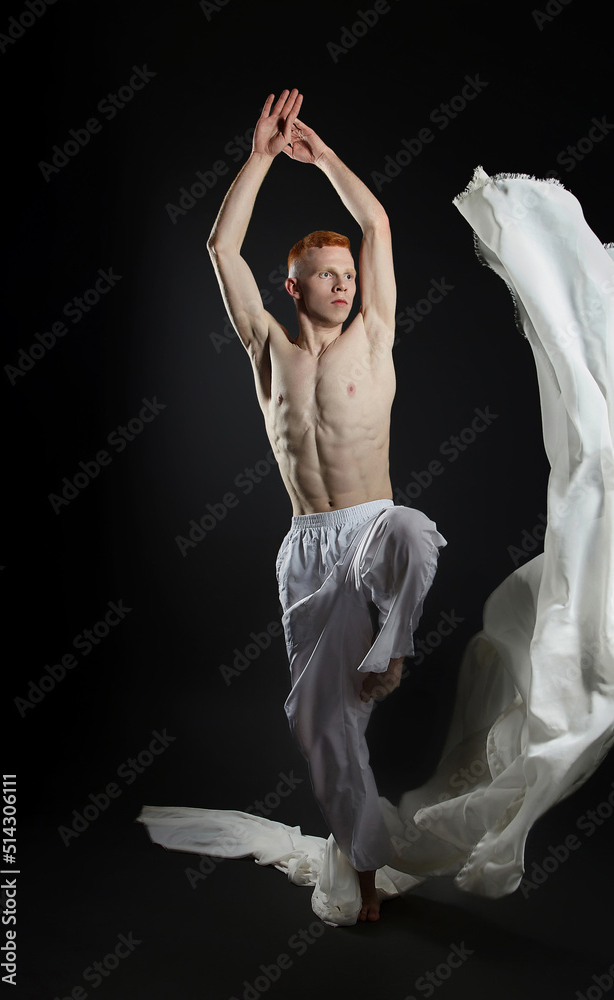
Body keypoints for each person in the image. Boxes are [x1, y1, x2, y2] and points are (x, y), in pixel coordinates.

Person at [205, 89, 446, 922]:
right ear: (293, 283)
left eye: (348, 277)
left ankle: (397, 644)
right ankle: (365, 873)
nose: (343, 286)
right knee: (321, 727)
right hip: (306, 545)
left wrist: (322, 155)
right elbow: (220, 247)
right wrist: (262, 157)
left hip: (373, 526)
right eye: (327, 276)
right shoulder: (268, 350)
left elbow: (376, 227)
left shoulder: (373, 337)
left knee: (416, 530)